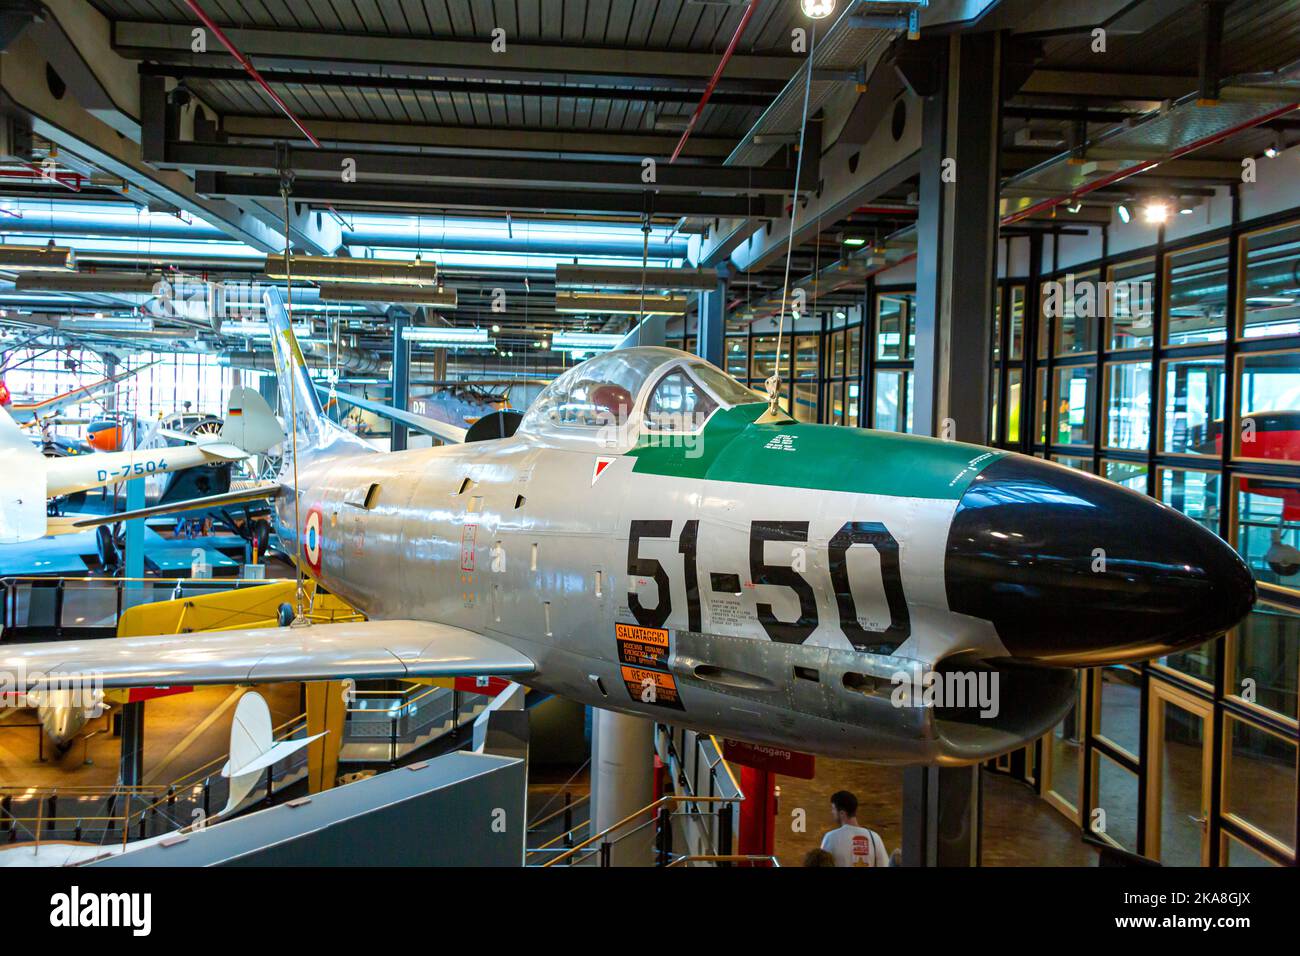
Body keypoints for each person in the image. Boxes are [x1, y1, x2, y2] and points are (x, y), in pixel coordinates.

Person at [820, 790, 889, 867]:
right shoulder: (875, 838)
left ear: (842, 813)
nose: (832, 812)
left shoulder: (830, 837)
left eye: (833, 808)